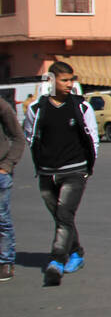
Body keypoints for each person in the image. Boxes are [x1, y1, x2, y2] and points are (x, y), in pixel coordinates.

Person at [22, 62, 99, 286]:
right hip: (47, 173)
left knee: (64, 215)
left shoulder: (82, 107)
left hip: (74, 170)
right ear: (51, 80)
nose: (69, 84)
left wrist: (88, 167)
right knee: (61, 217)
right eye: (64, 80)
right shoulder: (36, 109)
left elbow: (92, 137)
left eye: (71, 79)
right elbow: (30, 135)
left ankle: (57, 261)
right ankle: (76, 252)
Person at [0, 94, 25, 282]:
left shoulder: (2, 106)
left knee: (1, 219)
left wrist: (6, 166)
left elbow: (18, 137)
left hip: (0, 172)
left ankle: (5, 261)